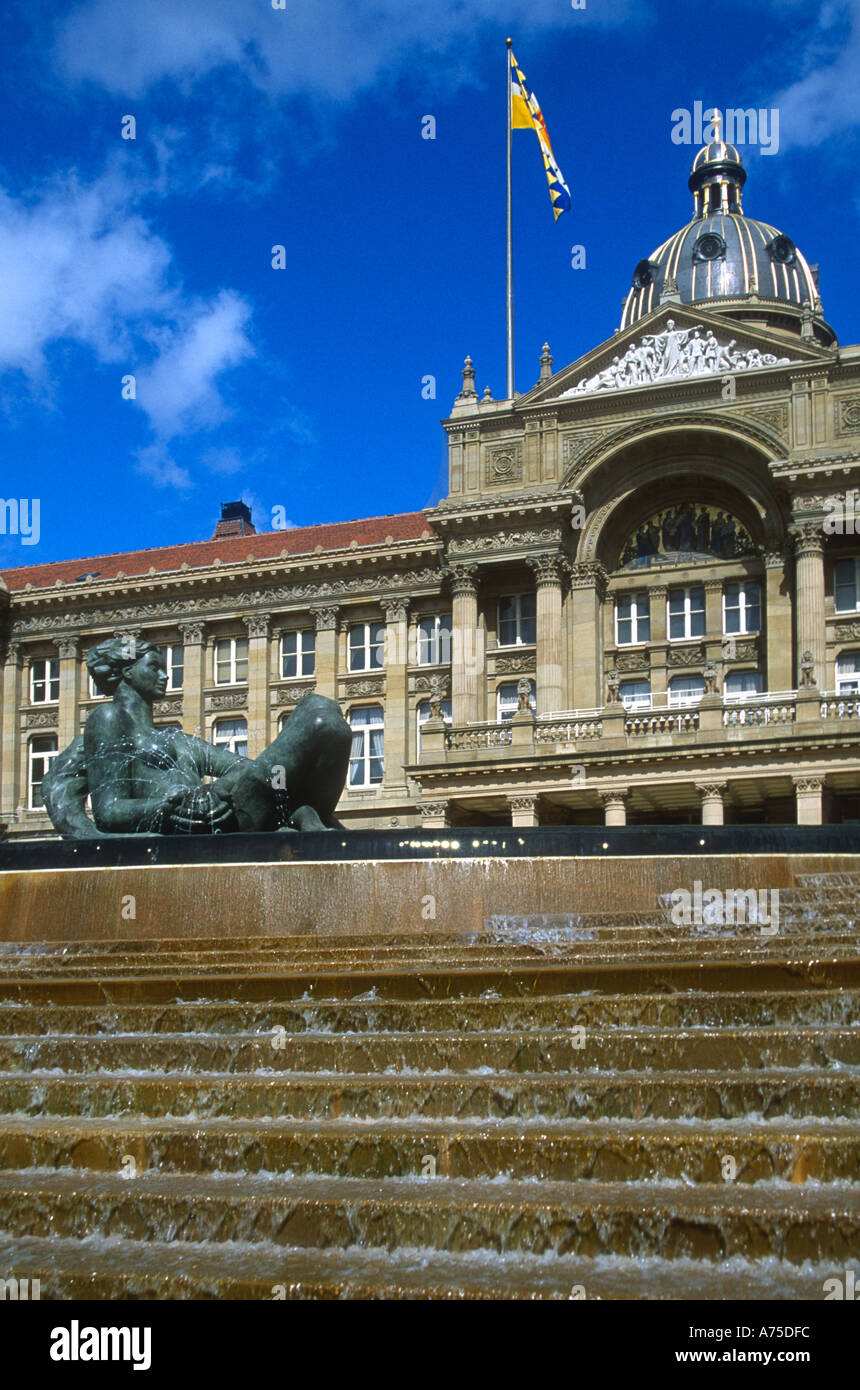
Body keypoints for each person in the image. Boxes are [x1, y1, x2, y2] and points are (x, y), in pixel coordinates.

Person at [42, 637, 352, 838]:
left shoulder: (175, 739)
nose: (166, 676)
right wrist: (169, 808)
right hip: (198, 829)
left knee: (321, 709)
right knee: (321, 718)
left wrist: (214, 792)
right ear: (126, 672)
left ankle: (304, 811)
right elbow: (107, 811)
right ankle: (306, 812)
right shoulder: (107, 719)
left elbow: (243, 769)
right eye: (155, 668)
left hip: (221, 811)